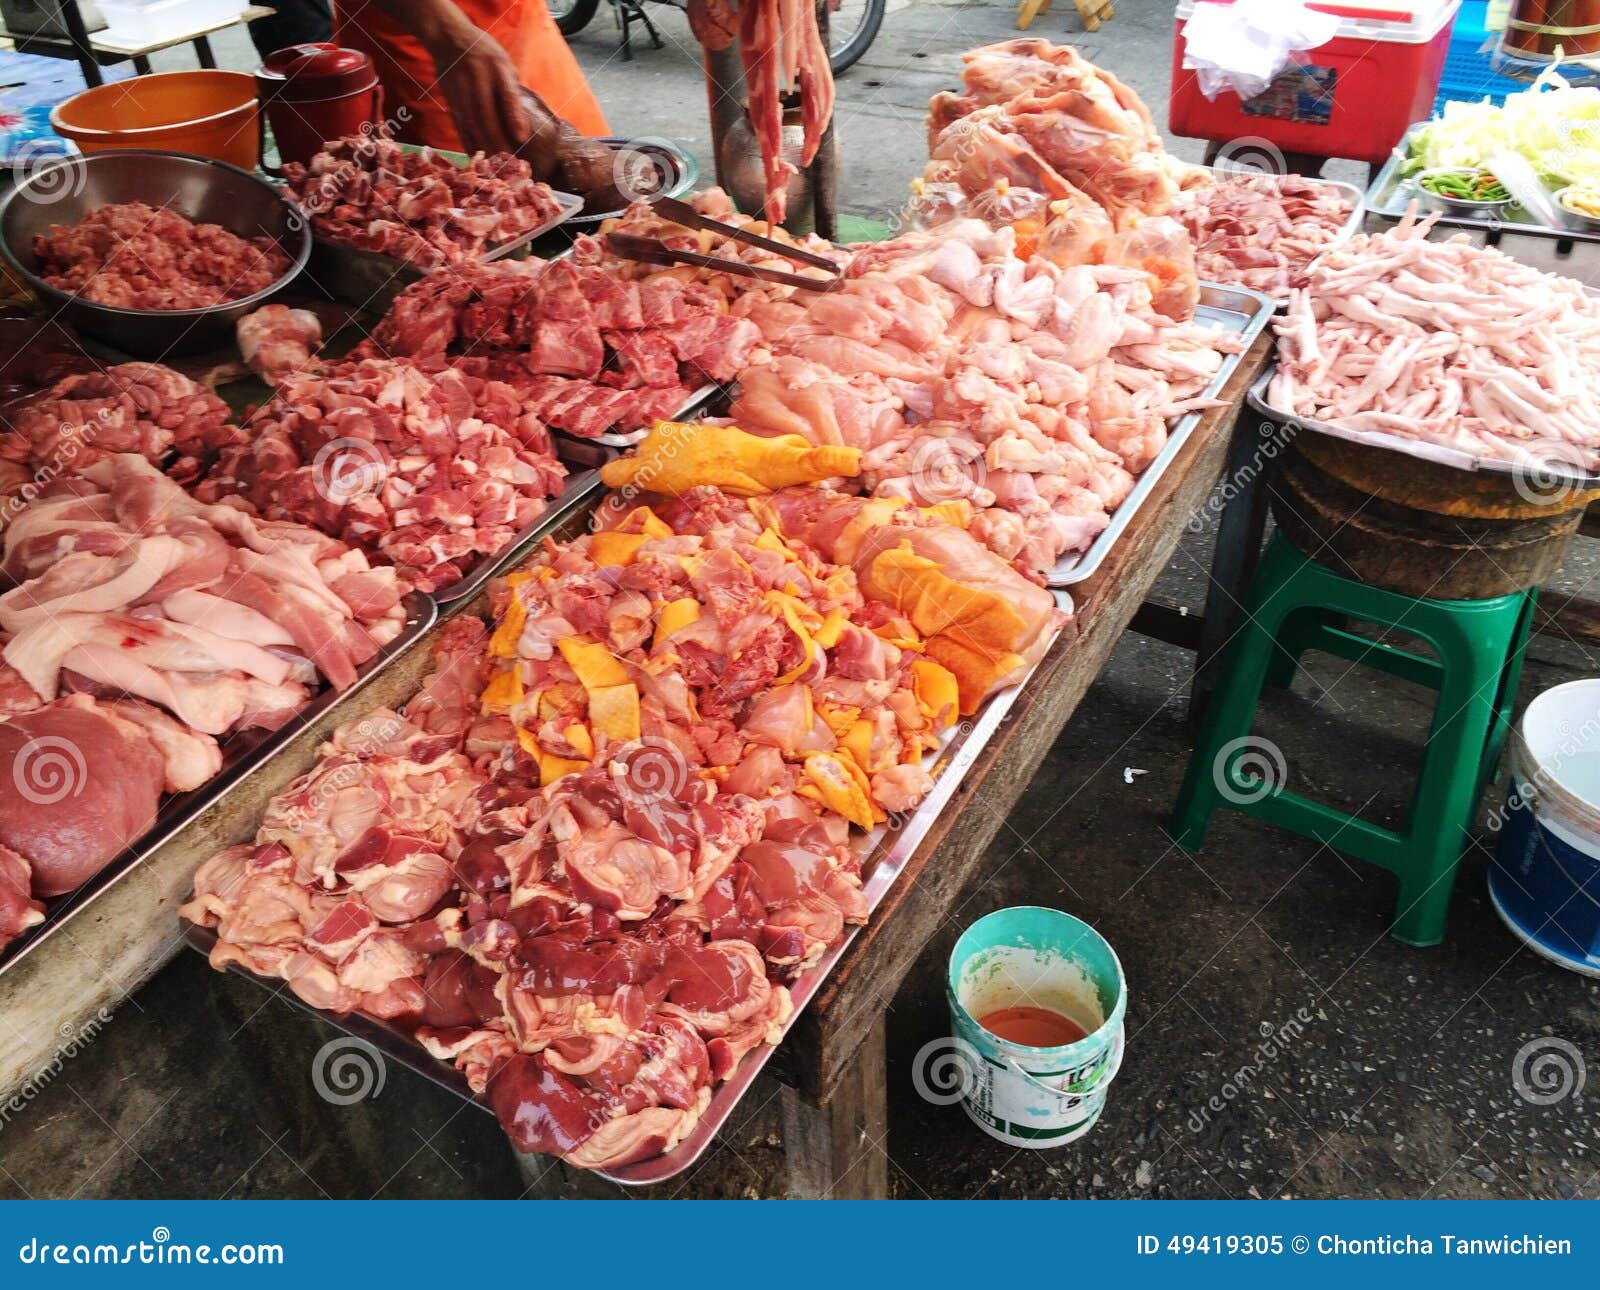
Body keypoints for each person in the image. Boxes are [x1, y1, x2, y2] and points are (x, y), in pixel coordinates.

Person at [342, 0, 608, 156]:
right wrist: (447, 34)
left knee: (593, 184)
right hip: (425, 34)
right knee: (462, 208)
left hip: (518, 20)